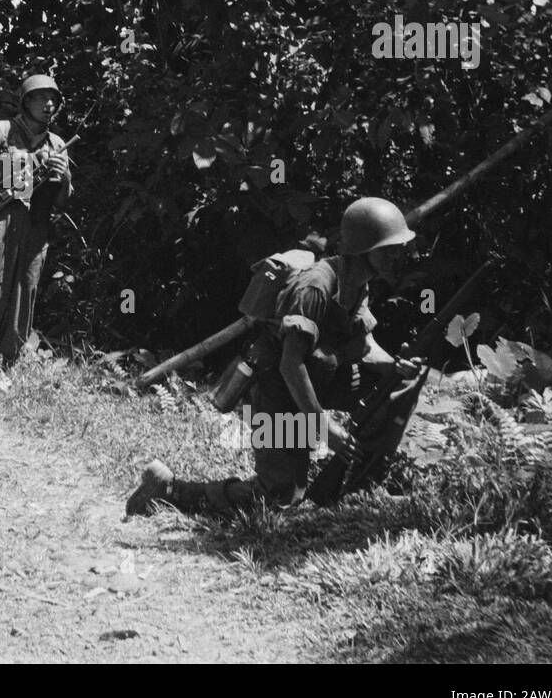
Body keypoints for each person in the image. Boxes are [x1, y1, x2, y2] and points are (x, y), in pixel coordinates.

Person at [126, 197, 424, 518]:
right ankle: (170, 490)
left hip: (320, 381)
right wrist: (322, 428)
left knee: (396, 384)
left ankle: (364, 482)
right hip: (276, 394)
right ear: (363, 250)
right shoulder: (315, 288)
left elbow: (365, 348)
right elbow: (289, 364)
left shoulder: (359, 285)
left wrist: (396, 367)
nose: (398, 255)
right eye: (389, 249)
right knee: (277, 500)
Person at [0, 73, 72, 373]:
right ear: (25, 100)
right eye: (40, 98)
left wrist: (66, 177)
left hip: (36, 224)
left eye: (53, 99)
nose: (48, 104)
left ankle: (10, 359)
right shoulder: (0, 131)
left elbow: (63, 200)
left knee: (26, 287)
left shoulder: (57, 143)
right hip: (0, 218)